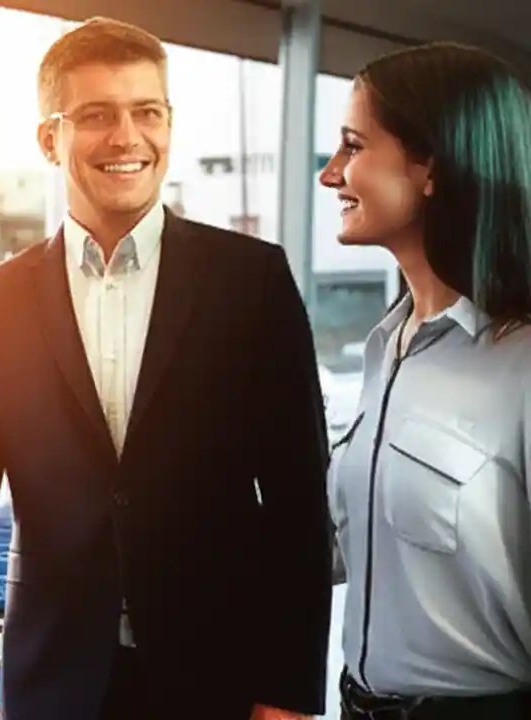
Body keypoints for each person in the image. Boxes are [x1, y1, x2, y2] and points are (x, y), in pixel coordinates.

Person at [0, 17, 332, 720]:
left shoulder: (250, 281)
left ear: (168, 124)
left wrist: (287, 692)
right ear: (50, 138)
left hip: (213, 676)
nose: (127, 138)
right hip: (56, 682)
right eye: (97, 116)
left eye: (146, 113)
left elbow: (297, 506)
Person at [320, 42, 531, 720]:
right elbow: (362, 543)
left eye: (353, 146)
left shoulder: (521, 361)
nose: (331, 175)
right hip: (358, 705)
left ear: (432, 166)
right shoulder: (389, 344)